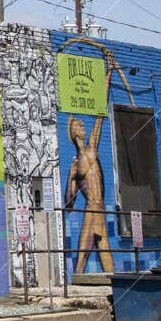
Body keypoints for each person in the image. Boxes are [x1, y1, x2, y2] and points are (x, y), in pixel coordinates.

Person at [64, 116, 113, 274]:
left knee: (99, 250)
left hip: (100, 207)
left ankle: (112, 282)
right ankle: (108, 281)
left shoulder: (92, 147)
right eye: (79, 125)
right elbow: (70, 204)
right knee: (86, 252)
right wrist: (70, 178)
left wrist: (104, 90)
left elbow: (99, 119)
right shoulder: (76, 165)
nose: (83, 125)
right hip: (91, 208)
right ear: (74, 132)